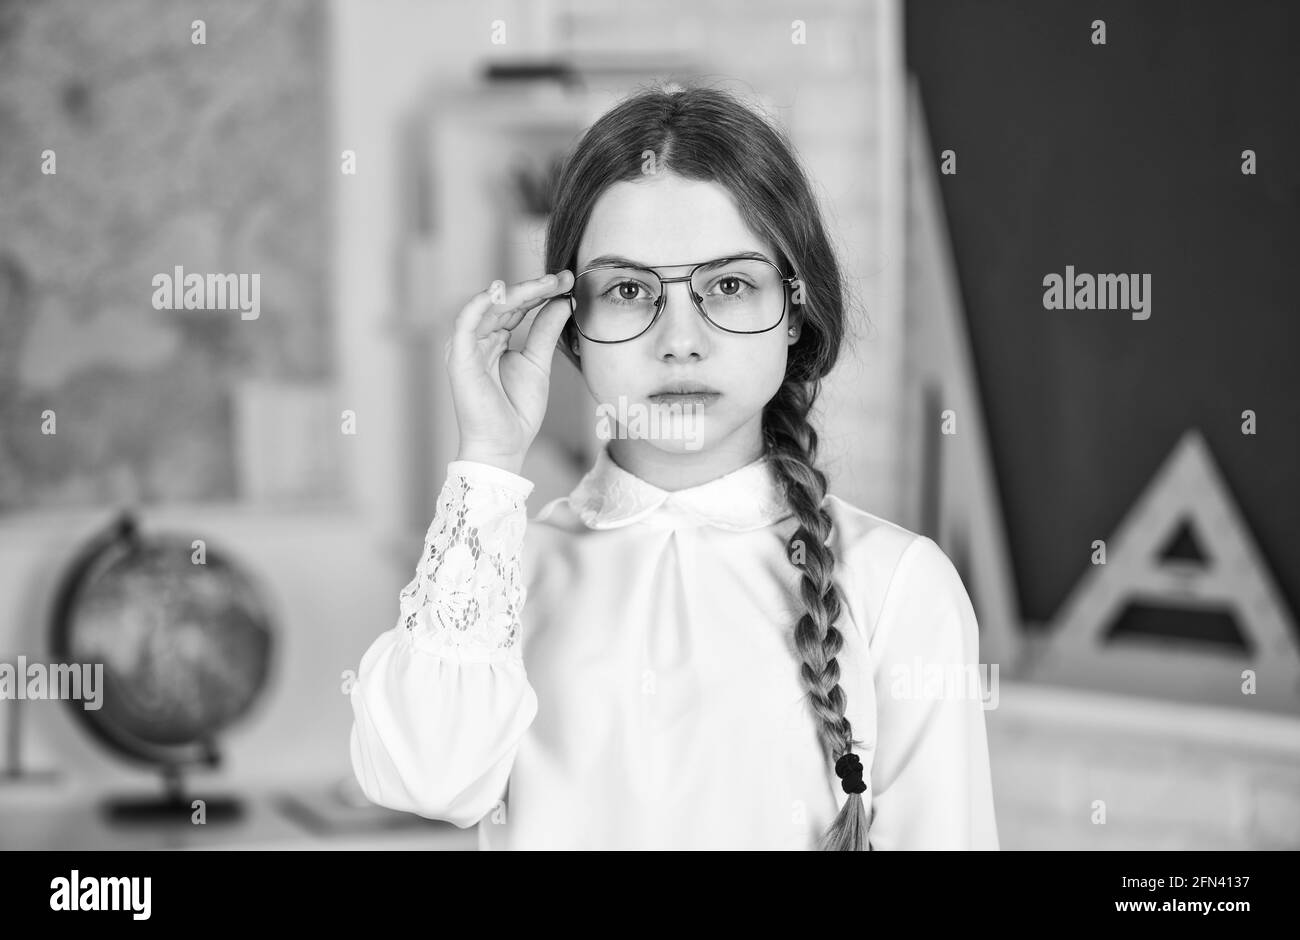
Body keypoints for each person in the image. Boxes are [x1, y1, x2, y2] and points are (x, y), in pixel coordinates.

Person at [349, 83, 999, 851]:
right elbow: (427, 778)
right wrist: (487, 460)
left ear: (794, 308)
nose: (680, 340)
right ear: (569, 324)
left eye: (729, 285)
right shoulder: (496, 577)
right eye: (629, 291)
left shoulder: (899, 584)